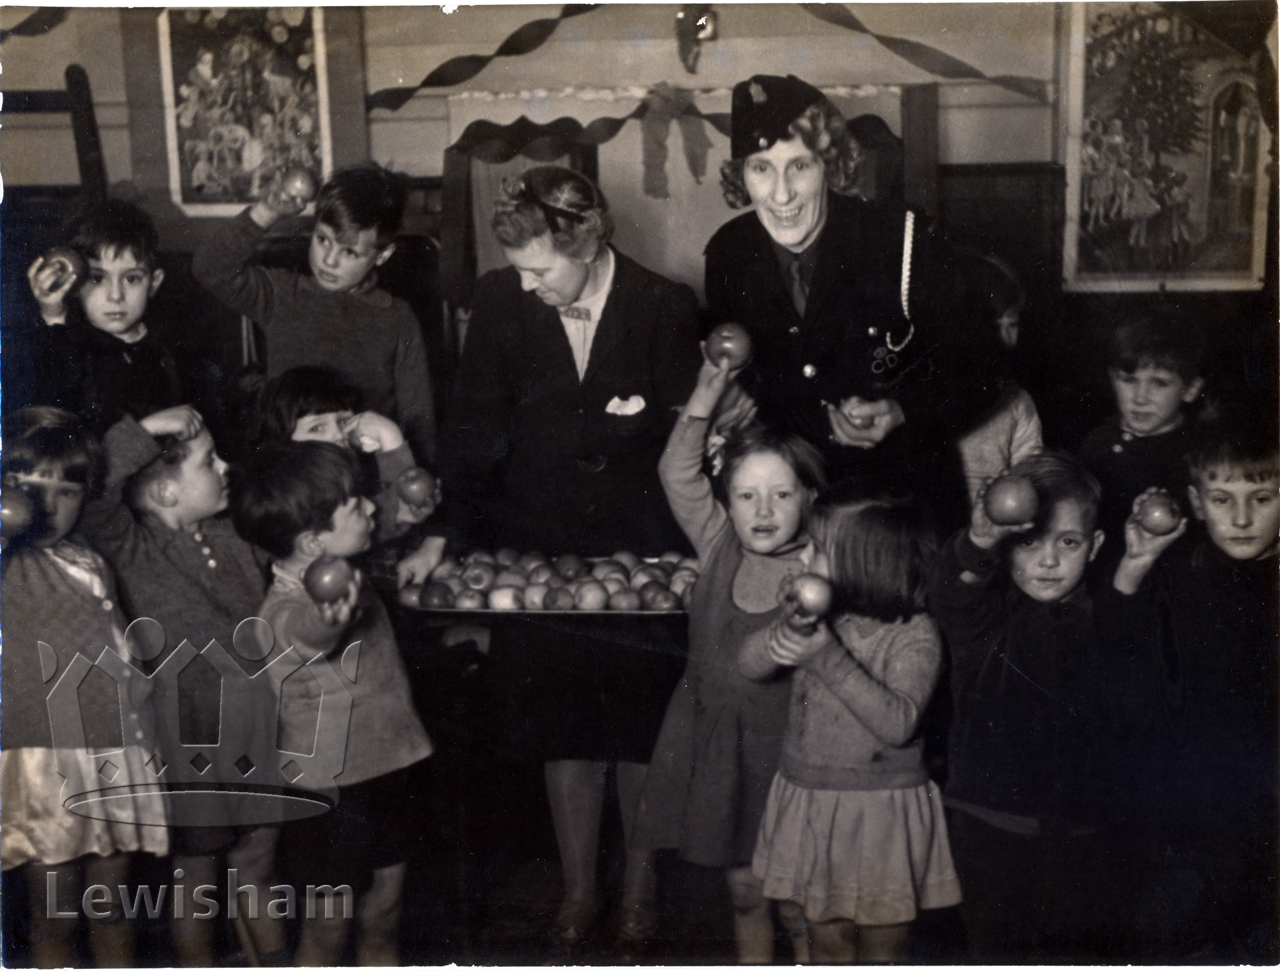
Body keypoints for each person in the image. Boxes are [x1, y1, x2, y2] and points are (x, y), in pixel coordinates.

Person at [436, 165, 702, 949]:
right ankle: (582, 889)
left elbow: (689, 442)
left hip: (644, 559)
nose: (528, 286)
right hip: (538, 555)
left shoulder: (663, 304)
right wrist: (455, 533)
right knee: (562, 729)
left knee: (644, 730)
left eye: (541, 269)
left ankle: (642, 892)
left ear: (587, 239)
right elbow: (474, 428)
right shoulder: (497, 299)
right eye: (517, 268)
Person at [704, 74, 1002, 521]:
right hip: (790, 515)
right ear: (742, 175)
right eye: (762, 168)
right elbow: (745, 380)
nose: (781, 193)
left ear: (830, 164)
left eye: (800, 166)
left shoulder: (904, 239)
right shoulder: (729, 254)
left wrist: (904, 410)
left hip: (901, 509)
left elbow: (985, 363)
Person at [633, 356, 826, 963]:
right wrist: (705, 395)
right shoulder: (718, 542)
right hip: (719, 745)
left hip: (790, 755)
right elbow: (676, 471)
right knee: (743, 891)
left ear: (809, 498)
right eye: (746, 495)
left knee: (797, 899)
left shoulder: (822, 566)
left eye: (780, 494)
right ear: (728, 501)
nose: (762, 511)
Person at [76, 406, 284, 966]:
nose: (226, 466)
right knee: (197, 873)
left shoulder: (234, 533)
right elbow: (95, 495)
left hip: (257, 725)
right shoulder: (131, 545)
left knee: (260, 856)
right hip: (187, 737)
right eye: (209, 461)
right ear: (166, 491)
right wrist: (144, 432)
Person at [231, 440, 433, 966]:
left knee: (386, 906)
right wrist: (328, 621)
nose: (371, 507)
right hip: (331, 786)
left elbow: (402, 512)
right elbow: (303, 633)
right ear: (311, 540)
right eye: (356, 503)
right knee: (329, 923)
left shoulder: (343, 564)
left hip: (391, 765)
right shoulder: (284, 607)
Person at [739, 491, 961, 963]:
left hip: (880, 811)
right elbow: (749, 664)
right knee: (825, 940)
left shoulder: (915, 634)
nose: (803, 556)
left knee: (885, 949)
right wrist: (785, 633)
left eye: (816, 547)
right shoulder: (819, 616)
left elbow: (898, 723)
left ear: (865, 563)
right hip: (811, 798)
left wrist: (825, 656)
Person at [927, 452, 1123, 961]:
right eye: (1030, 542)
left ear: (1095, 545)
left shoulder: (1108, 617)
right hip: (989, 824)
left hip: (1083, 833)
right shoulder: (986, 619)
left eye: (1069, 543)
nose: (1049, 561)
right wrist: (981, 541)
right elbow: (950, 593)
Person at [1, 407, 168, 968]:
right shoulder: (8, 563)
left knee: (112, 906)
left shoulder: (92, 558)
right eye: (28, 488)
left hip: (114, 750)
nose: (47, 504)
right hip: (45, 758)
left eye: (66, 491)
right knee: (55, 915)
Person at [1108, 408, 1278, 960]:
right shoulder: (1182, 572)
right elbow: (1121, 663)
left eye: (1263, 497)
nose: (1243, 517)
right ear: (1197, 503)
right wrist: (1135, 565)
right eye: (1223, 499)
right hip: (1196, 812)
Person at [192, 163, 436, 464]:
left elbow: (418, 415)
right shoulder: (282, 295)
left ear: (382, 255)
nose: (329, 261)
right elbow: (210, 268)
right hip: (288, 471)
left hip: (364, 475)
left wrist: (416, 475)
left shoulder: (397, 318)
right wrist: (266, 212)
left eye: (350, 252)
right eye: (322, 240)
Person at [249, 365, 442, 587]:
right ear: (283, 443)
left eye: (343, 422)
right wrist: (392, 443)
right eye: (317, 428)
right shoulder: (288, 495)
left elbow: (385, 515)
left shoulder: (350, 474)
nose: (337, 435)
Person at [12, 200, 182, 430]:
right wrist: (52, 314)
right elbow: (61, 434)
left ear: (154, 283)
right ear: (75, 283)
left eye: (131, 278)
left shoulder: (172, 348)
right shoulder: (74, 351)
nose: (115, 296)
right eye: (97, 278)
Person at [1079, 314, 1206, 552]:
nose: (1139, 398)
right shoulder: (1097, 443)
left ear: (1190, 390)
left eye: (1159, 383)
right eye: (1128, 380)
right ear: (1111, 379)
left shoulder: (1201, 450)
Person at [955, 254, 1043, 504]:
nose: (1006, 340)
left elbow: (1031, 478)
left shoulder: (1017, 403)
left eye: (1012, 325)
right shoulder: (919, 401)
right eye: (992, 325)